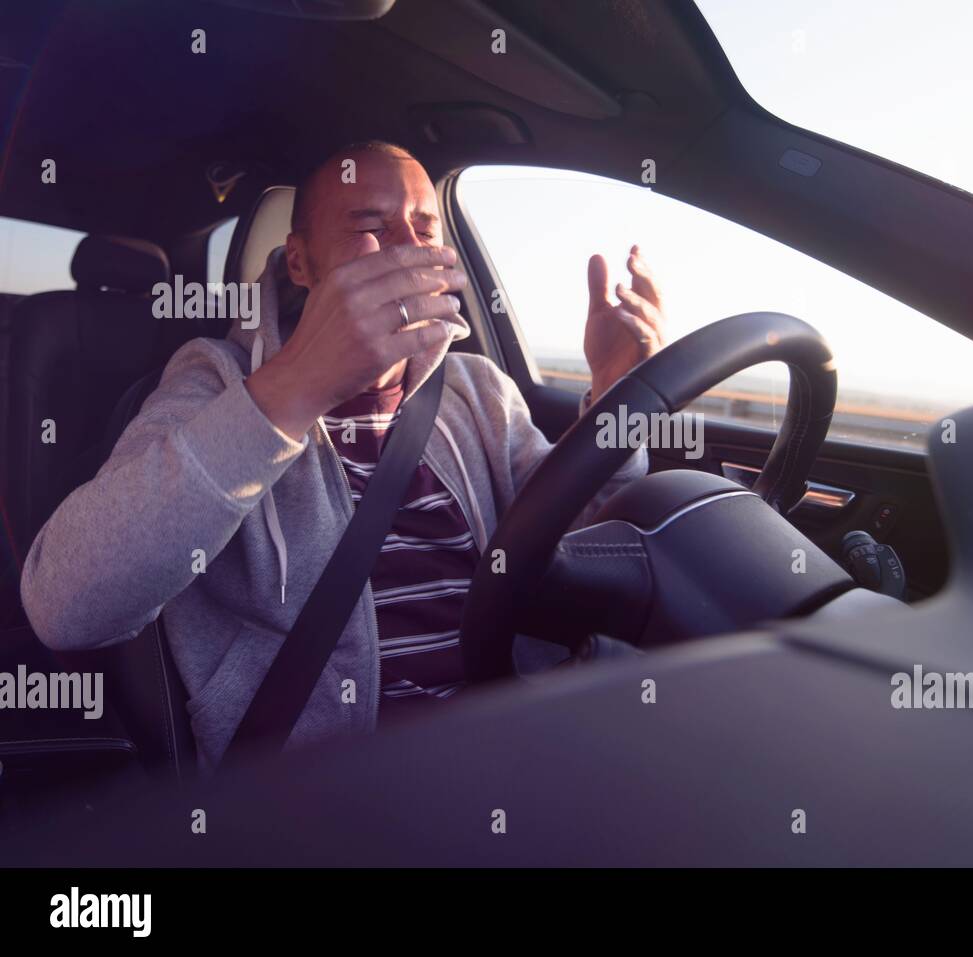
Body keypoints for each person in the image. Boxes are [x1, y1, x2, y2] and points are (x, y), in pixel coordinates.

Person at [20, 140, 666, 771]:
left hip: (513, 742)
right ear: (299, 263)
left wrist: (613, 395)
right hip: (325, 787)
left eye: (423, 225)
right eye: (371, 225)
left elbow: (581, 546)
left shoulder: (478, 388)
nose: (410, 247)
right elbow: (68, 606)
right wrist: (295, 385)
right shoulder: (214, 379)